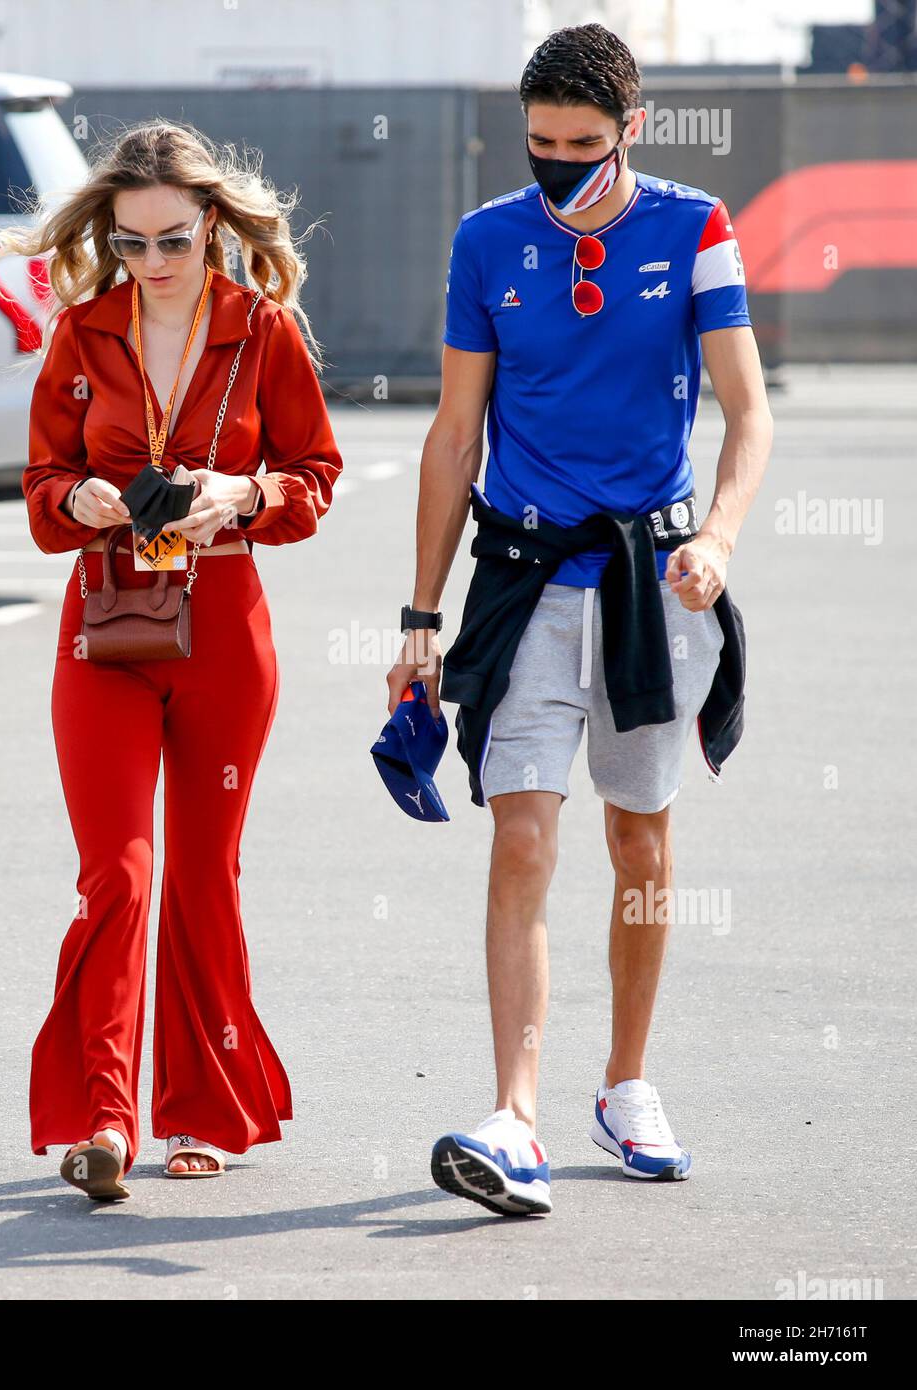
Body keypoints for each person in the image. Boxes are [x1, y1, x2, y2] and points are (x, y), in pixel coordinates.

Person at [386, 24, 772, 1215]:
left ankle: (626, 1082)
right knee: (520, 834)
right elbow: (455, 435)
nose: (557, 164)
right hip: (520, 578)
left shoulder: (693, 227)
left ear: (631, 129)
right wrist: (417, 612)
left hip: (651, 584)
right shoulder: (483, 240)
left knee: (640, 844)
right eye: (539, 144)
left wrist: (713, 537)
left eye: (583, 146)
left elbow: (747, 414)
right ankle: (513, 1118)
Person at [0, 120, 342, 1199]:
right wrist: (78, 497)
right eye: (131, 241)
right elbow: (42, 488)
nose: (151, 263)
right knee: (118, 875)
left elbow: (315, 475)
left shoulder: (261, 330)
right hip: (103, 625)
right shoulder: (80, 335)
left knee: (201, 877)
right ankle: (102, 1117)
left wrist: (245, 494)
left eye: (173, 242)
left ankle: (201, 1109)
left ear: (213, 229)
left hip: (224, 624)